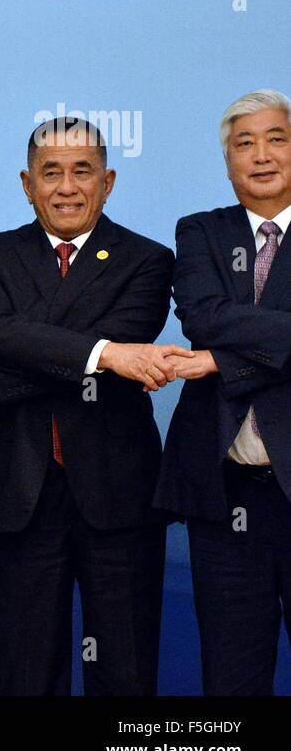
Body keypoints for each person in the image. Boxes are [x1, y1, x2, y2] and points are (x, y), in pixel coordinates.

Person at [0, 116, 185, 695]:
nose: (67, 187)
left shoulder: (148, 260)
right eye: (52, 173)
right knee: (24, 665)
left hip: (119, 489)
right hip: (21, 487)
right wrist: (103, 353)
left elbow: (21, 348)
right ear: (28, 184)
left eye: (83, 172)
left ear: (109, 181)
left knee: (125, 664)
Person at [155, 89, 291, 695]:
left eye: (276, 139)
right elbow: (203, 317)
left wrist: (225, 364)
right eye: (244, 143)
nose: (261, 155)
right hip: (225, 490)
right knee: (233, 675)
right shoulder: (202, 231)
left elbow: (220, 340)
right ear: (228, 161)